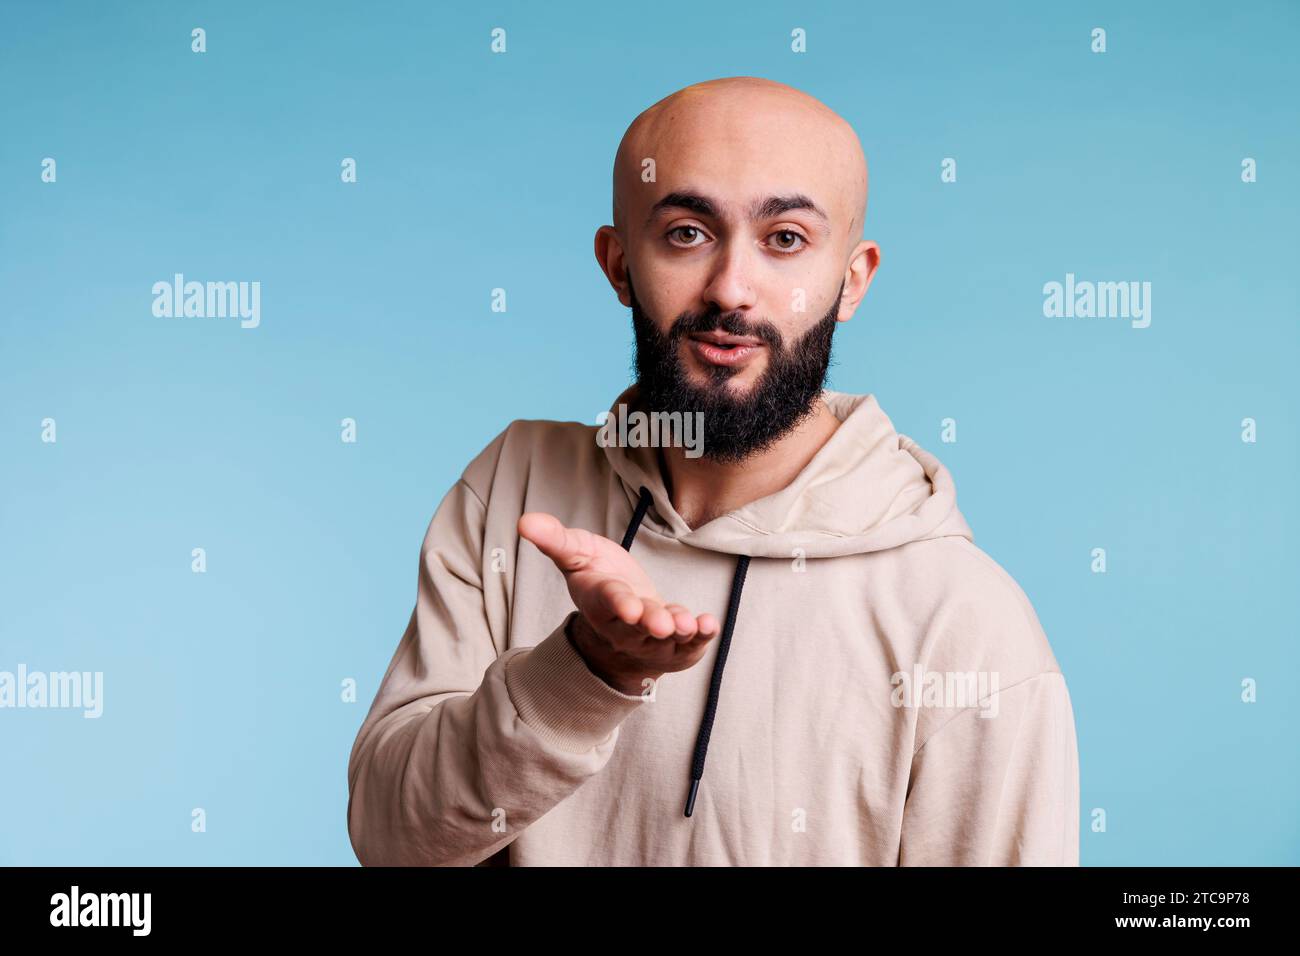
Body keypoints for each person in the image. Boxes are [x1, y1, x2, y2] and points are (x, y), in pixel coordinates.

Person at [346, 76, 1080, 866]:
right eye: (688, 233)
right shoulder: (514, 491)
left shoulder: (967, 623)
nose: (732, 288)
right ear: (619, 263)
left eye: (786, 239)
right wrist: (586, 673)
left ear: (853, 280)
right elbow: (393, 842)